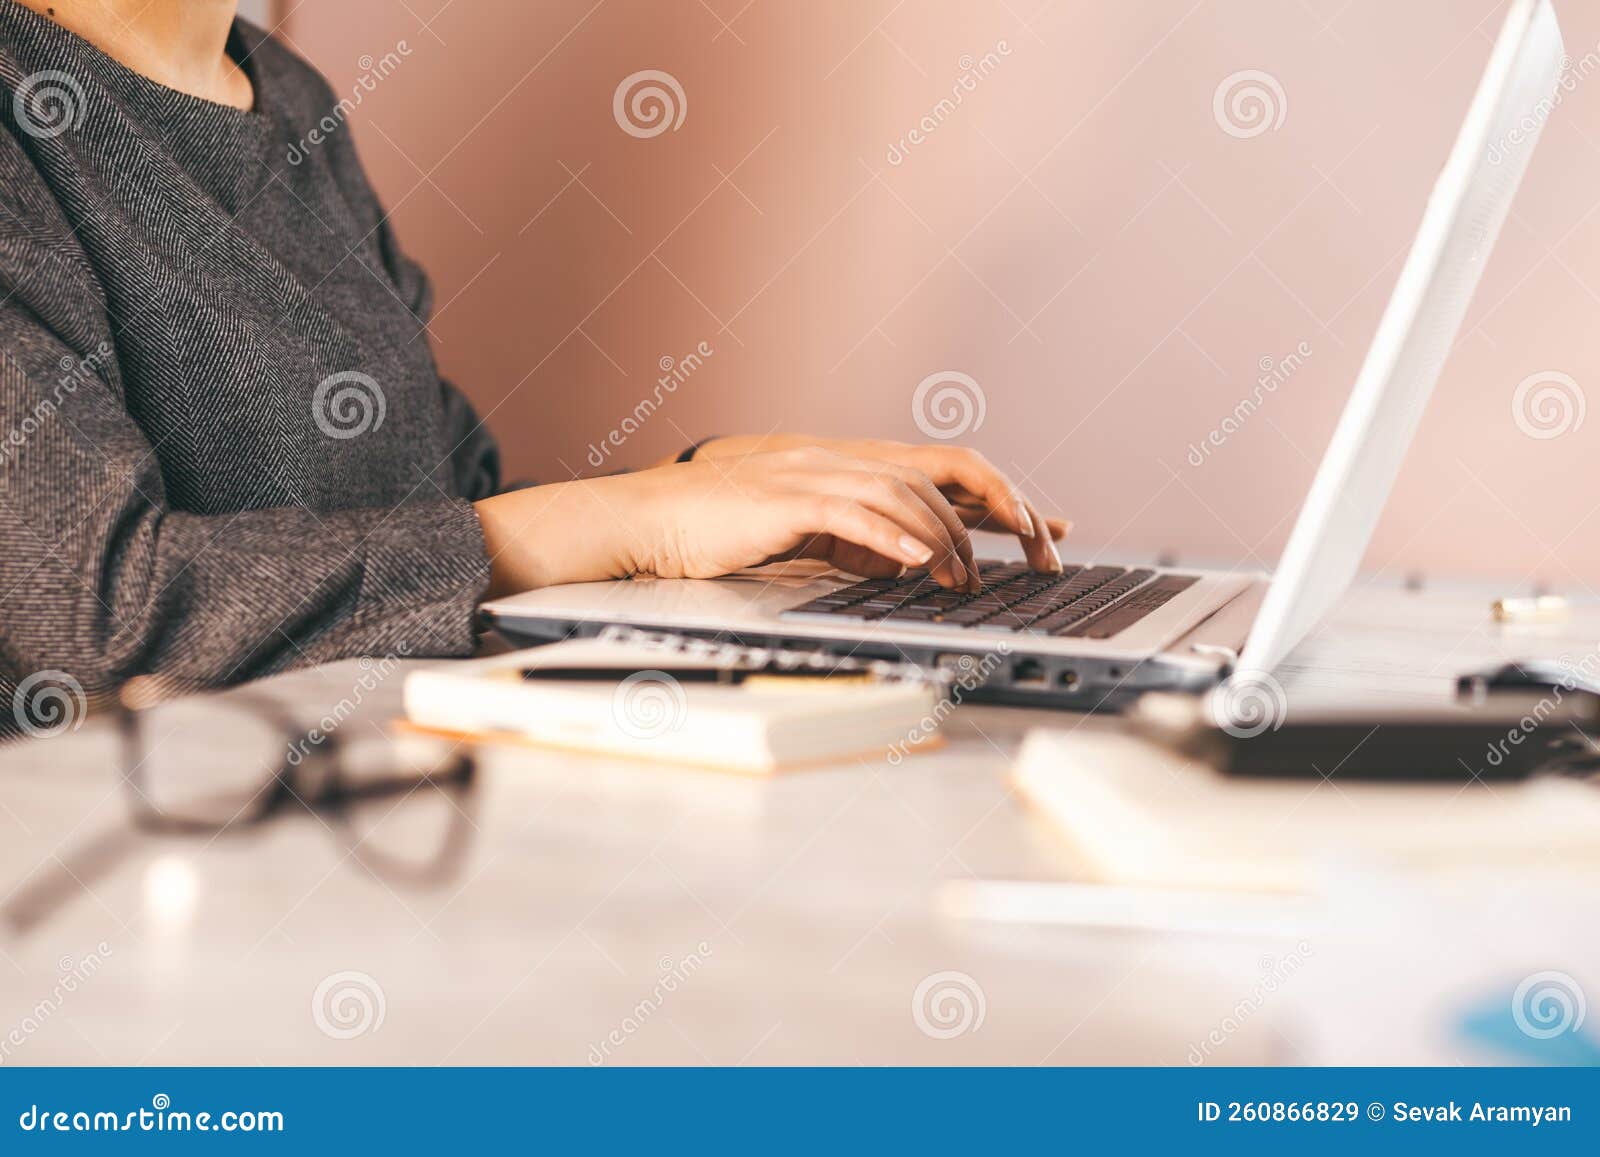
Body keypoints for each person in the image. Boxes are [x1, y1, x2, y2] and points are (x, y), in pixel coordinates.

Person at [0, 0, 1065, 719]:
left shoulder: (283, 88)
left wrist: (710, 493)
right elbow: (94, 616)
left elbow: (444, 513)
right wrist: (624, 519)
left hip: (392, 818)